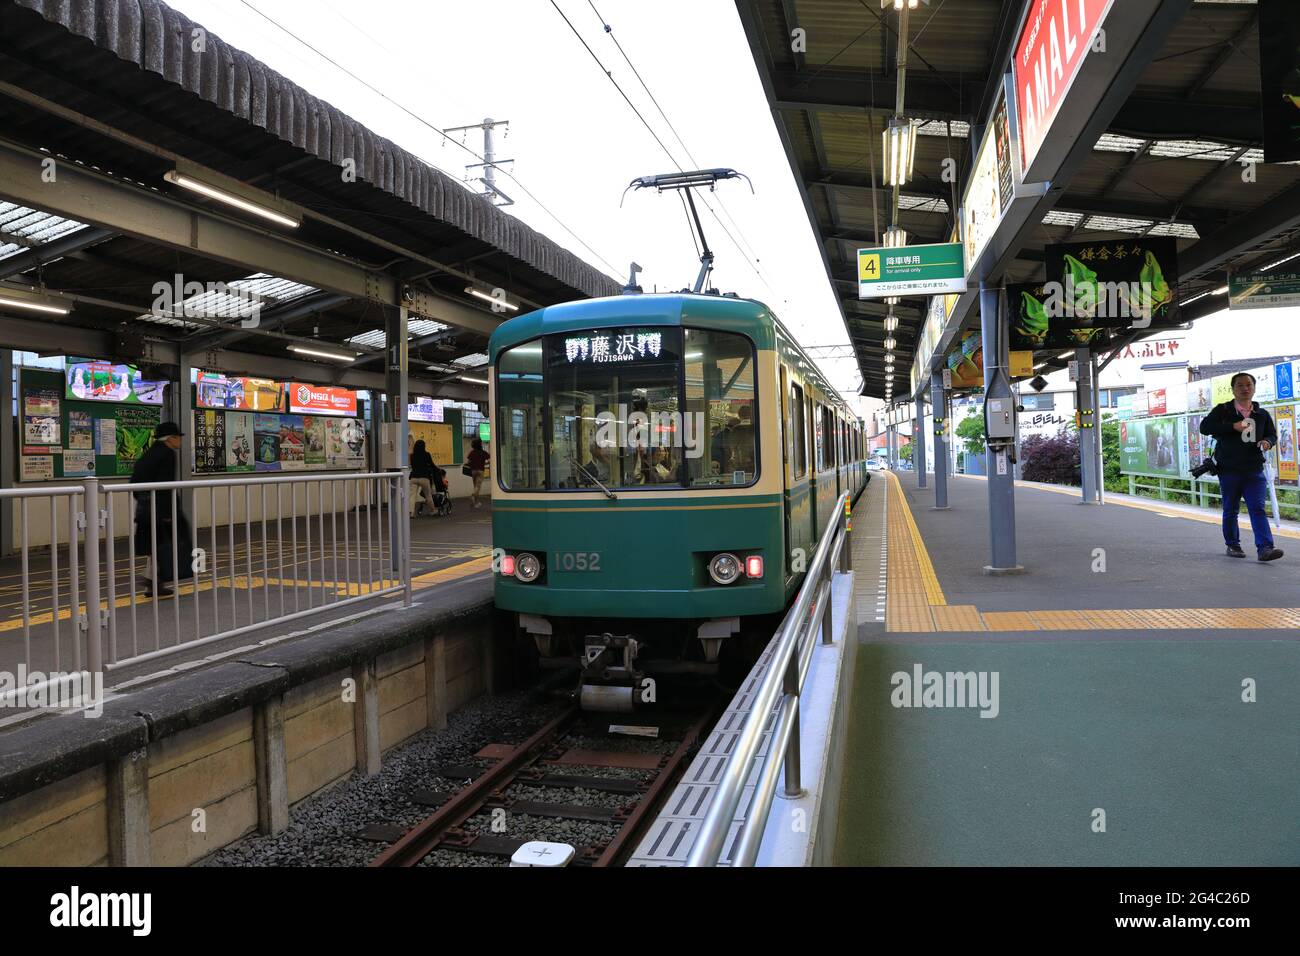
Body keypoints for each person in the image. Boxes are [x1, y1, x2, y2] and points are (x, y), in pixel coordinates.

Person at [1200, 372, 1283, 561]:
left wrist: (1268, 442)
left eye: (1249, 385)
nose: (1245, 389)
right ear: (1233, 389)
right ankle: (1233, 544)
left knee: (1258, 509)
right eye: (1240, 385)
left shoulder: (1261, 414)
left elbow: (1272, 435)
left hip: (1254, 470)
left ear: (1254, 388)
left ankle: (1265, 548)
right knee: (1231, 509)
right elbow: (1205, 428)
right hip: (1229, 469)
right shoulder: (1223, 410)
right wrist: (1232, 426)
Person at [131, 421, 194, 596]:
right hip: (160, 509)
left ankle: (152, 580)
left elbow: (134, 482)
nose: (180, 441)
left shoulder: (149, 454)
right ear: (171, 438)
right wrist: (169, 513)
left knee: (155, 543)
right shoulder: (167, 454)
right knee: (167, 543)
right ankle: (154, 579)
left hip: (145, 508)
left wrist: (144, 500)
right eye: (178, 437)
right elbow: (166, 486)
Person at [409, 439, 436, 517]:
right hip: (424, 477)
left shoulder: (412, 455)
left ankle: (411, 513)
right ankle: (432, 510)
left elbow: (413, 466)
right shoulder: (427, 454)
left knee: (412, 496)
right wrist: (438, 470)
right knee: (428, 495)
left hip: (414, 477)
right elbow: (432, 465)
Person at [467, 437, 490, 509]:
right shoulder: (483, 452)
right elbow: (489, 460)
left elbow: (468, 462)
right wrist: (484, 463)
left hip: (473, 471)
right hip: (481, 471)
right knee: (478, 487)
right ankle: (473, 496)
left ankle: (475, 503)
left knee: (475, 487)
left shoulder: (472, 453)